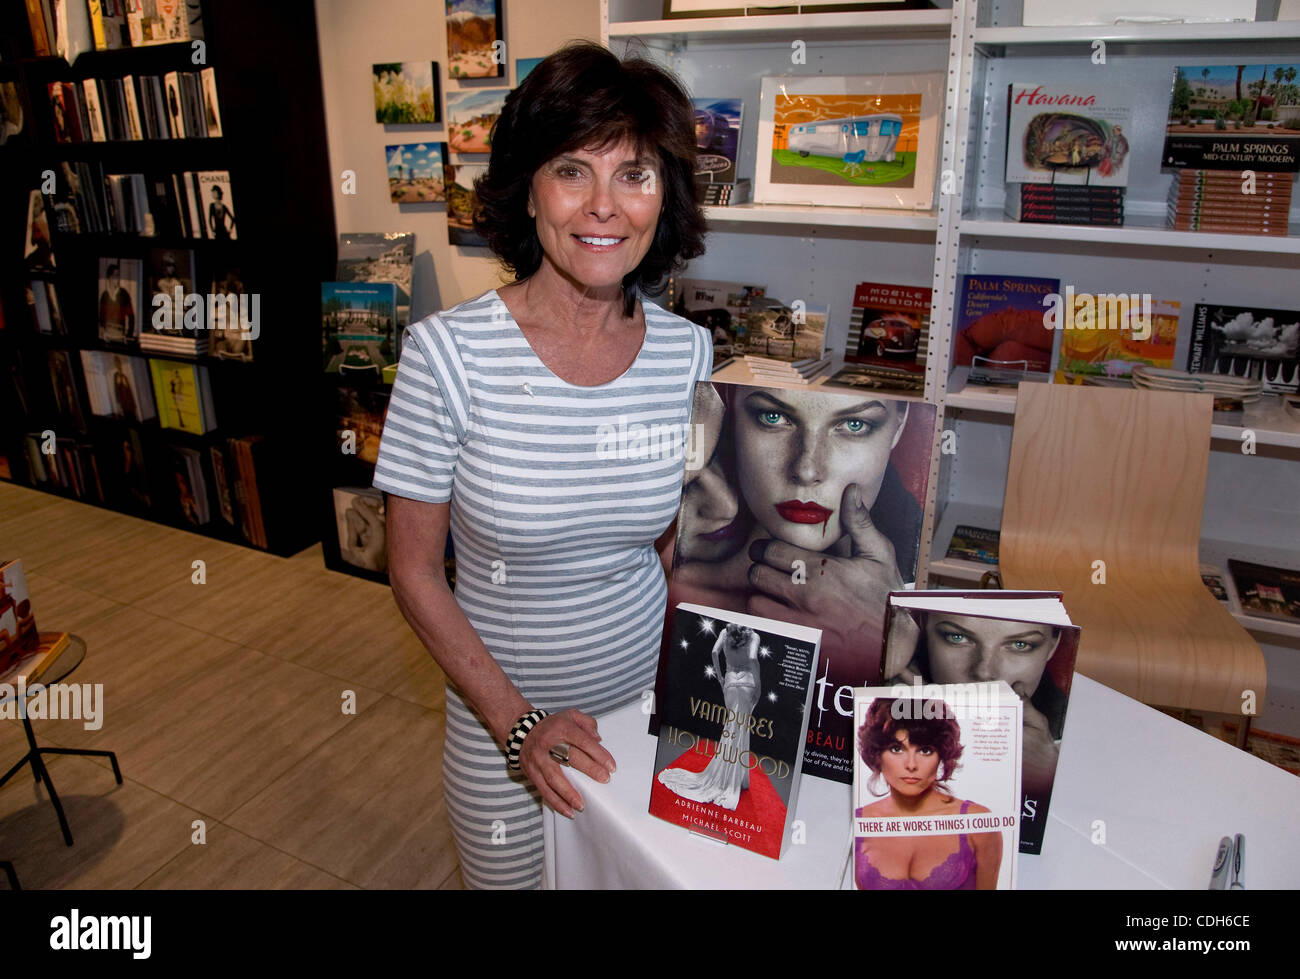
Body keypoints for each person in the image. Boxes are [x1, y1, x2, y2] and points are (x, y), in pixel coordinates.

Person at [372, 41, 709, 890]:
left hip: (642, 720)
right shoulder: (447, 354)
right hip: (505, 739)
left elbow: (673, 547)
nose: (604, 207)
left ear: (662, 197)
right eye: (572, 170)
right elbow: (413, 569)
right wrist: (518, 726)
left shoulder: (689, 354)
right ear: (528, 187)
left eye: (634, 174)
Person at [669, 385, 922, 679]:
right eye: (773, 416)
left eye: (854, 425)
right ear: (732, 411)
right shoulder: (675, 590)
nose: (806, 470)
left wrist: (903, 642)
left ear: (900, 424)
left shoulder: (930, 590)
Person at [883, 611, 1068, 799]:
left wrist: (1046, 778)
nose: (984, 672)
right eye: (957, 637)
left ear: (1052, 646)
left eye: (1020, 645)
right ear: (924, 627)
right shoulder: (890, 699)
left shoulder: (1074, 737)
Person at [855, 697, 1001, 890]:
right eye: (897, 749)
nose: (911, 765)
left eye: (925, 750)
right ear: (877, 754)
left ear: (942, 754)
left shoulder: (978, 825)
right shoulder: (859, 821)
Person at [656, 621, 760, 810]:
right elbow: (753, 659)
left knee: (732, 728)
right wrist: (759, 685)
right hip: (747, 684)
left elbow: (714, 652)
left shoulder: (724, 633)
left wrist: (721, 677)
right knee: (741, 729)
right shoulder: (753, 636)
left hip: (729, 682)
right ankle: (734, 780)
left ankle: (734, 778)